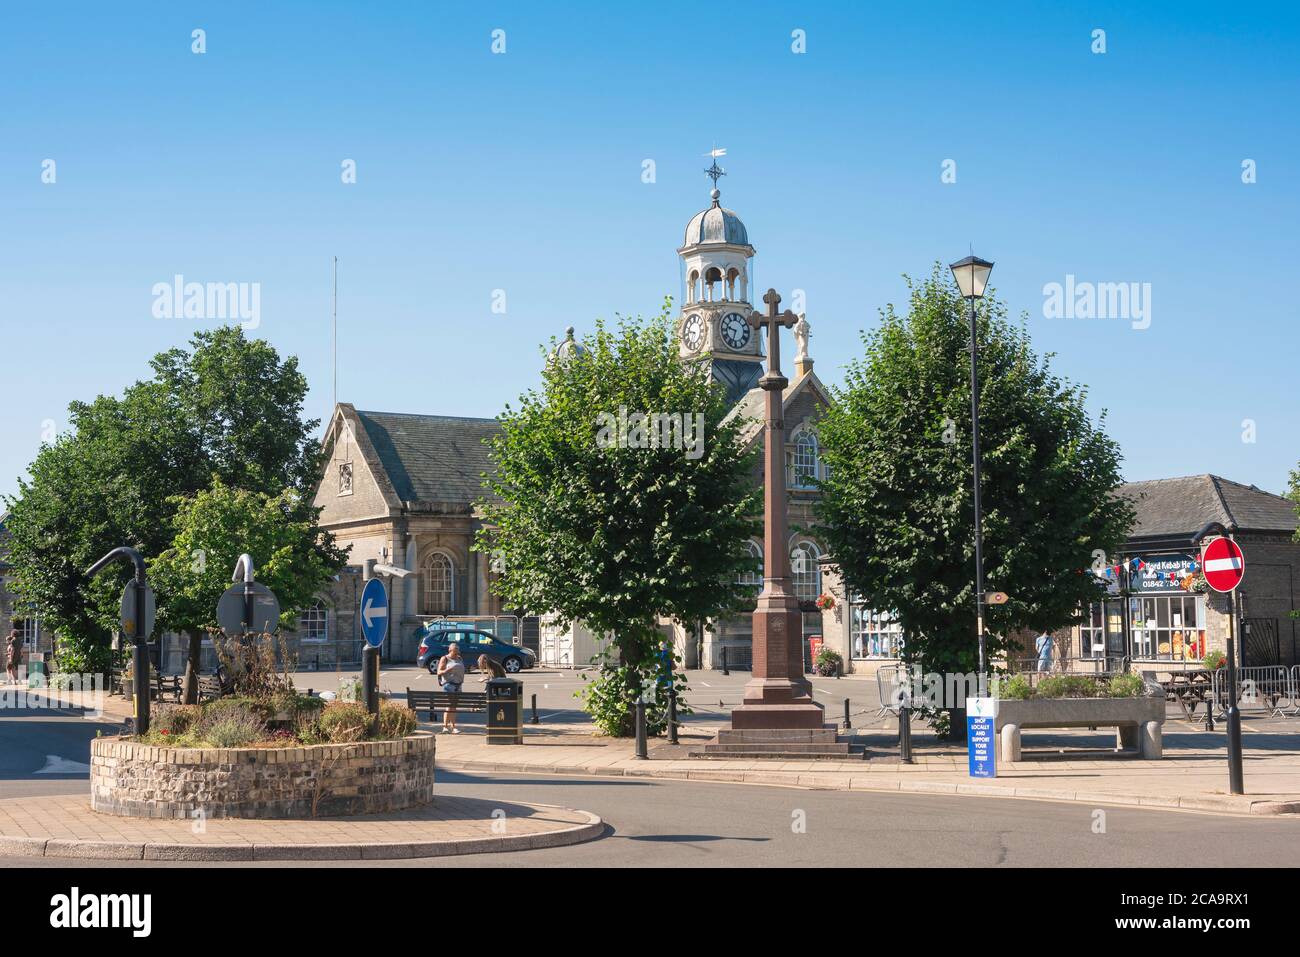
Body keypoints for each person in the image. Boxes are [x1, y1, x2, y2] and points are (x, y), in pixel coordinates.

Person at [436, 642, 467, 733]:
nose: (457, 652)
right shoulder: (445, 658)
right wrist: (447, 670)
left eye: (458, 650)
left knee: (454, 706)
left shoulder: (459, 658)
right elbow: (439, 672)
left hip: (458, 685)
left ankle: (453, 727)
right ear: (450, 650)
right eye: (455, 650)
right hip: (449, 685)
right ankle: (445, 726)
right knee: (449, 706)